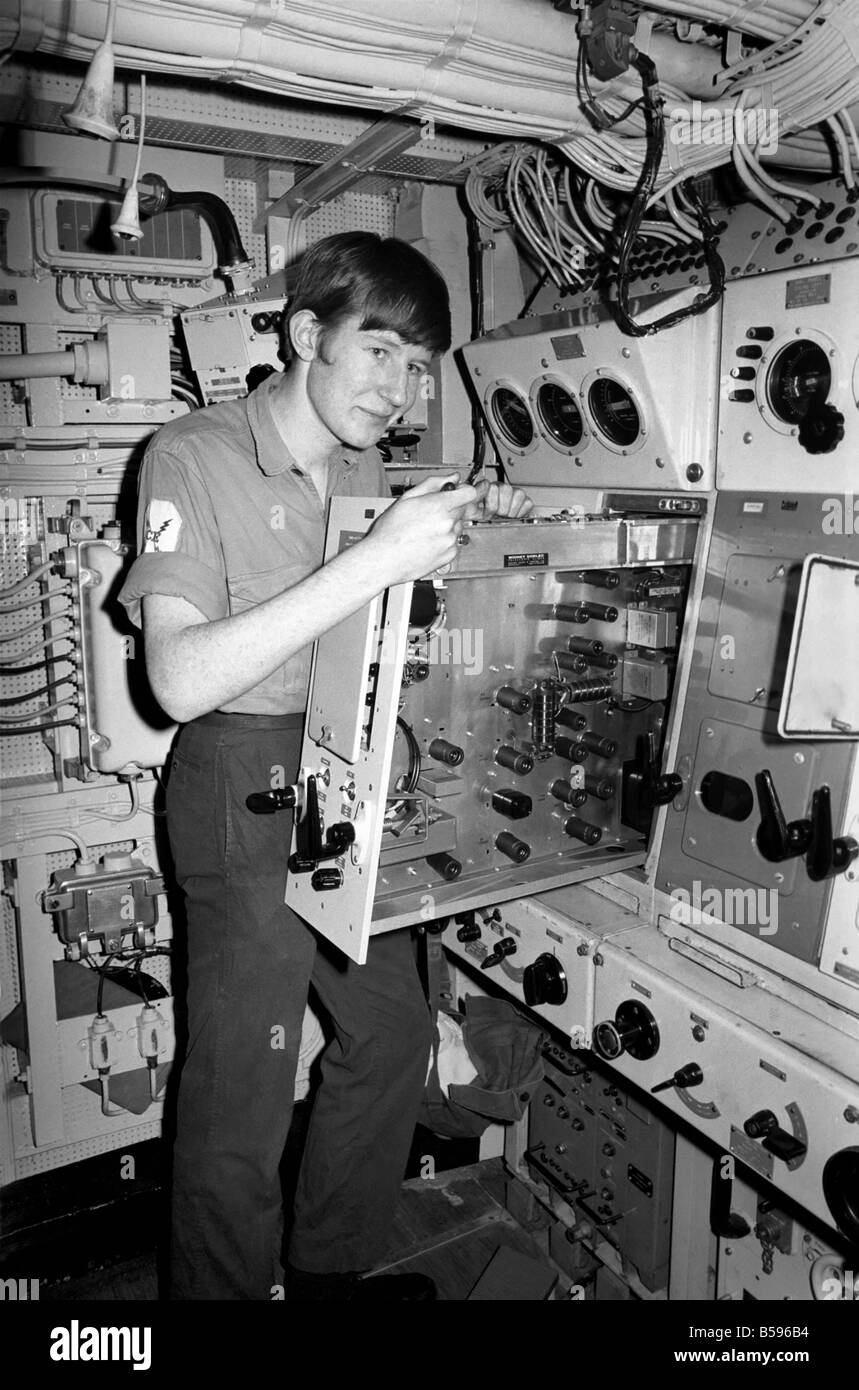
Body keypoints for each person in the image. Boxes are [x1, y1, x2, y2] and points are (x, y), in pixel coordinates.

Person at [119, 230, 531, 1301]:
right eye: (380, 351)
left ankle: (328, 1265)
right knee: (243, 1091)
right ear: (308, 334)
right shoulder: (191, 453)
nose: (400, 387)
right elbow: (175, 679)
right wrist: (374, 560)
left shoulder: (362, 472)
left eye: (418, 363)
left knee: (389, 1036)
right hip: (237, 778)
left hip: (336, 770)